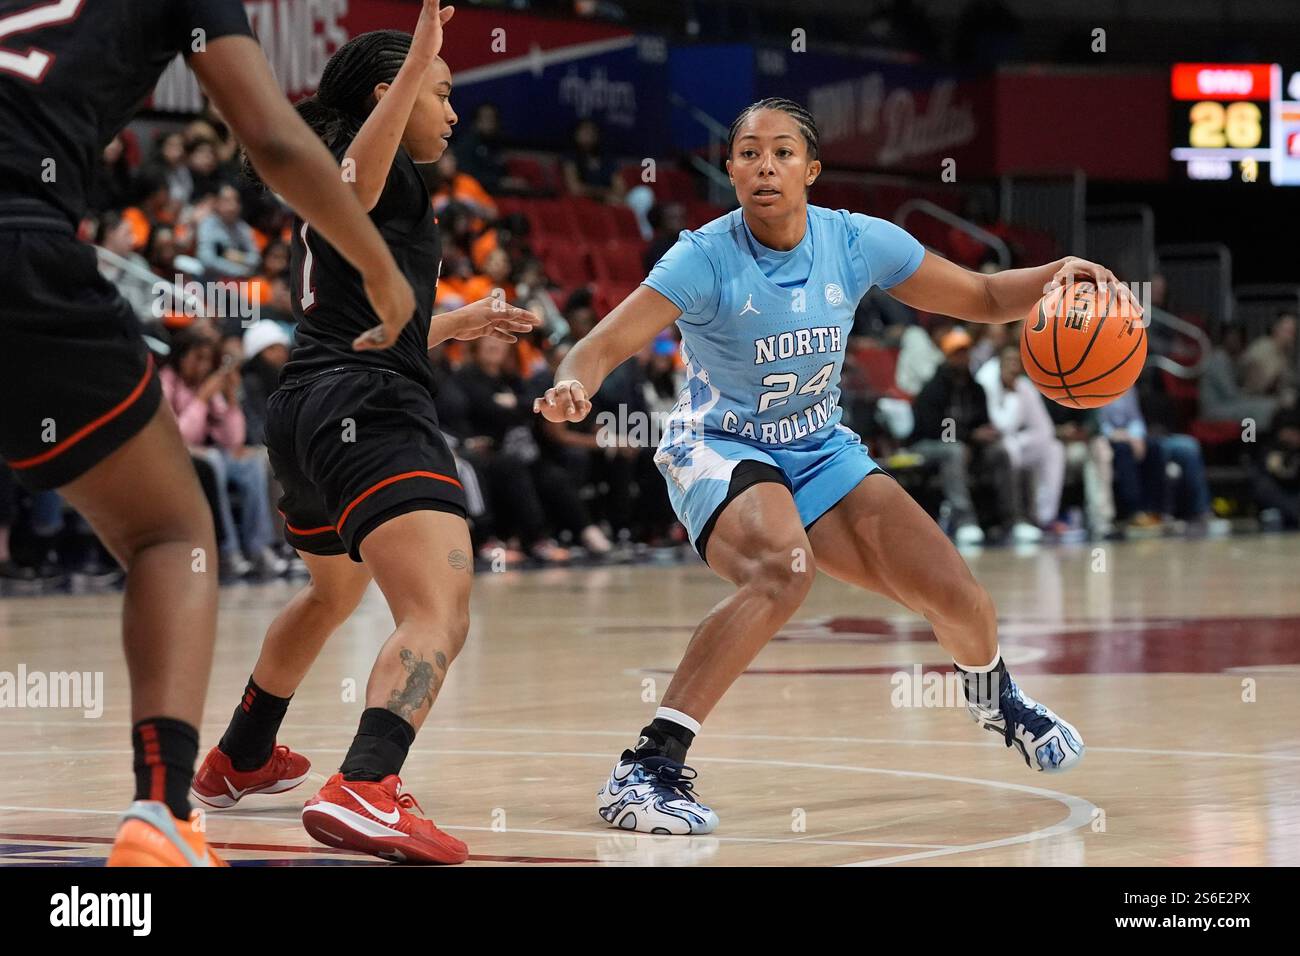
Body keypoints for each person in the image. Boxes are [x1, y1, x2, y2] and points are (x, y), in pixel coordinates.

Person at [536, 97, 1131, 833]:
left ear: (811, 169)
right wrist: (573, 383)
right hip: (720, 445)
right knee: (783, 571)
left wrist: (1055, 276)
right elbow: (600, 344)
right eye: (749, 152)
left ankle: (995, 696)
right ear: (730, 169)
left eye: (783, 152)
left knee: (962, 600)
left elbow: (978, 295)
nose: (765, 166)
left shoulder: (855, 242)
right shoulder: (702, 255)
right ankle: (646, 767)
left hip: (820, 447)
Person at [0, 0, 420, 867]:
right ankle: (160, 812)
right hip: (19, 244)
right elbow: (270, 135)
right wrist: (380, 270)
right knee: (171, 536)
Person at [188, 7, 539, 865]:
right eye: (441, 94)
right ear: (393, 95)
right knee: (437, 607)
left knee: (331, 594)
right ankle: (369, 785)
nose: (452, 114)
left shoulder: (351, 193)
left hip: (304, 408)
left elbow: (364, 311)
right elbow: (355, 175)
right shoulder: (378, 174)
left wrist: (459, 322)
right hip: (369, 404)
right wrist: (423, 48)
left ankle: (240, 754)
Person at [910, 328, 1029, 545]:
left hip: (966, 445)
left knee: (1001, 451)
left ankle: (1013, 520)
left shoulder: (976, 389)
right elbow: (934, 429)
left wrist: (985, 433)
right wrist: (969, 435)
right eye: (957, 353)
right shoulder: (933, 389)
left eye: (965, 352)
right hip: (926, 446)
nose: (962, 357)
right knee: (954, 451)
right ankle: (966, 522)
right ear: (947, 356)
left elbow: (981, 422)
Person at [976, 342, 1064, 534]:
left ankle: (1044, 518)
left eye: (1017, 361)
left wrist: (1024, 439)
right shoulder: (986, 380)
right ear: (998, 362)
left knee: (1053, 448)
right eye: (1009, 361)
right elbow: (999, 425)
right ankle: (1016, 520)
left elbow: (1044, 428)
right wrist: (1013, 397)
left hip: (1015, 439)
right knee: (1010, 450)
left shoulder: (1024, 385)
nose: (1014, 366)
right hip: (990, 445)